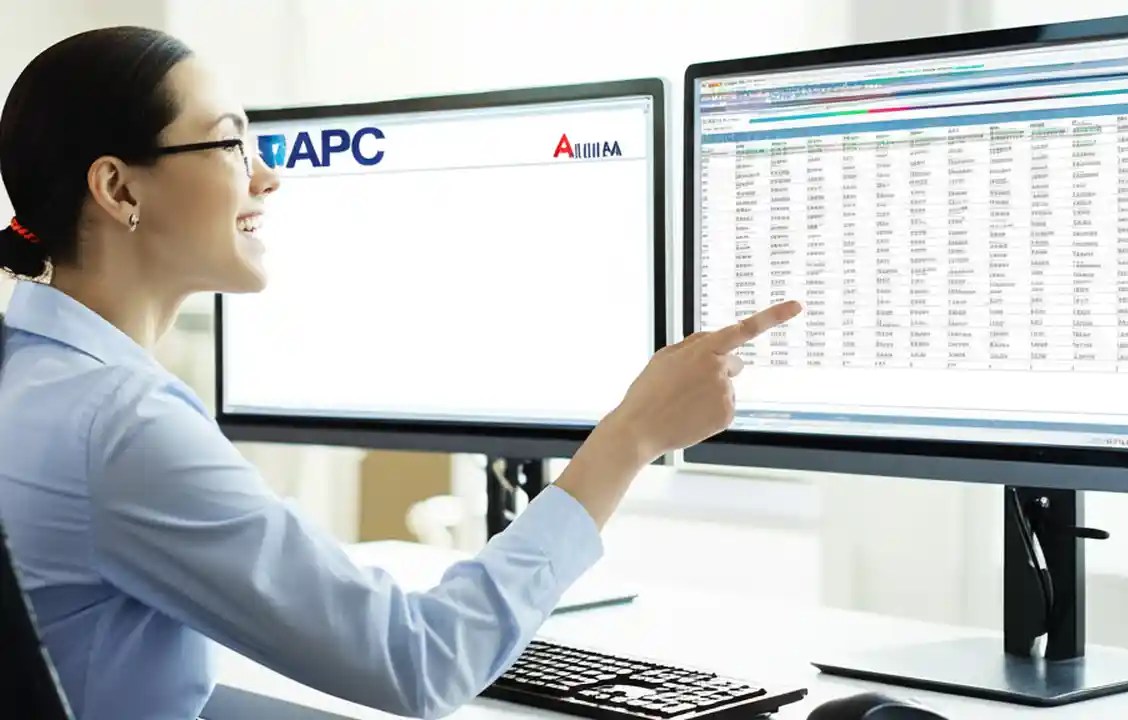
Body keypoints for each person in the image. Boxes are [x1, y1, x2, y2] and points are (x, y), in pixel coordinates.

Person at [0, 26, 801, 720]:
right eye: (230, 144)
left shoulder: (32, 376)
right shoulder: (123, 425)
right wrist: (630, 437)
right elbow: (420, 662)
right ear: (118, 188)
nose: (267, 176)